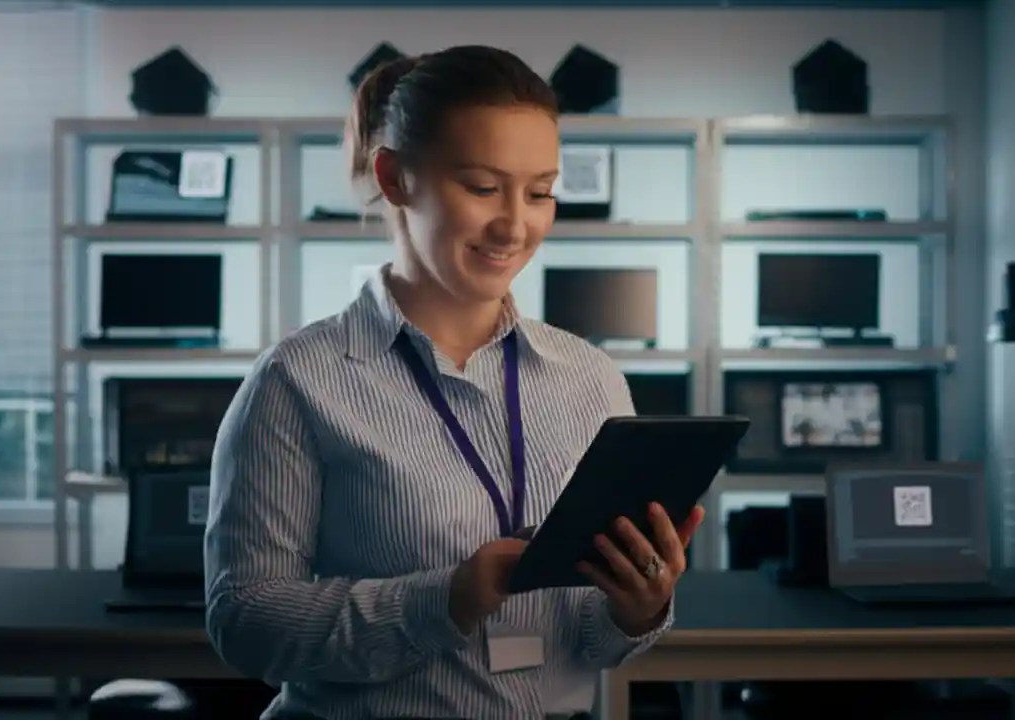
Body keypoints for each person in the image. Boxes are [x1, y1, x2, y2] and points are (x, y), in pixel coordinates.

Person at [204, 44, 704, 720]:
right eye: (481, 186)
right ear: (394, 178)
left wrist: (637, 609)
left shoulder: (590, 379)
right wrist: (446, 599)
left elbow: (591, 643)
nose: (516, 225)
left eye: (540, 192)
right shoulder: (298, 381)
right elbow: (246, 623)